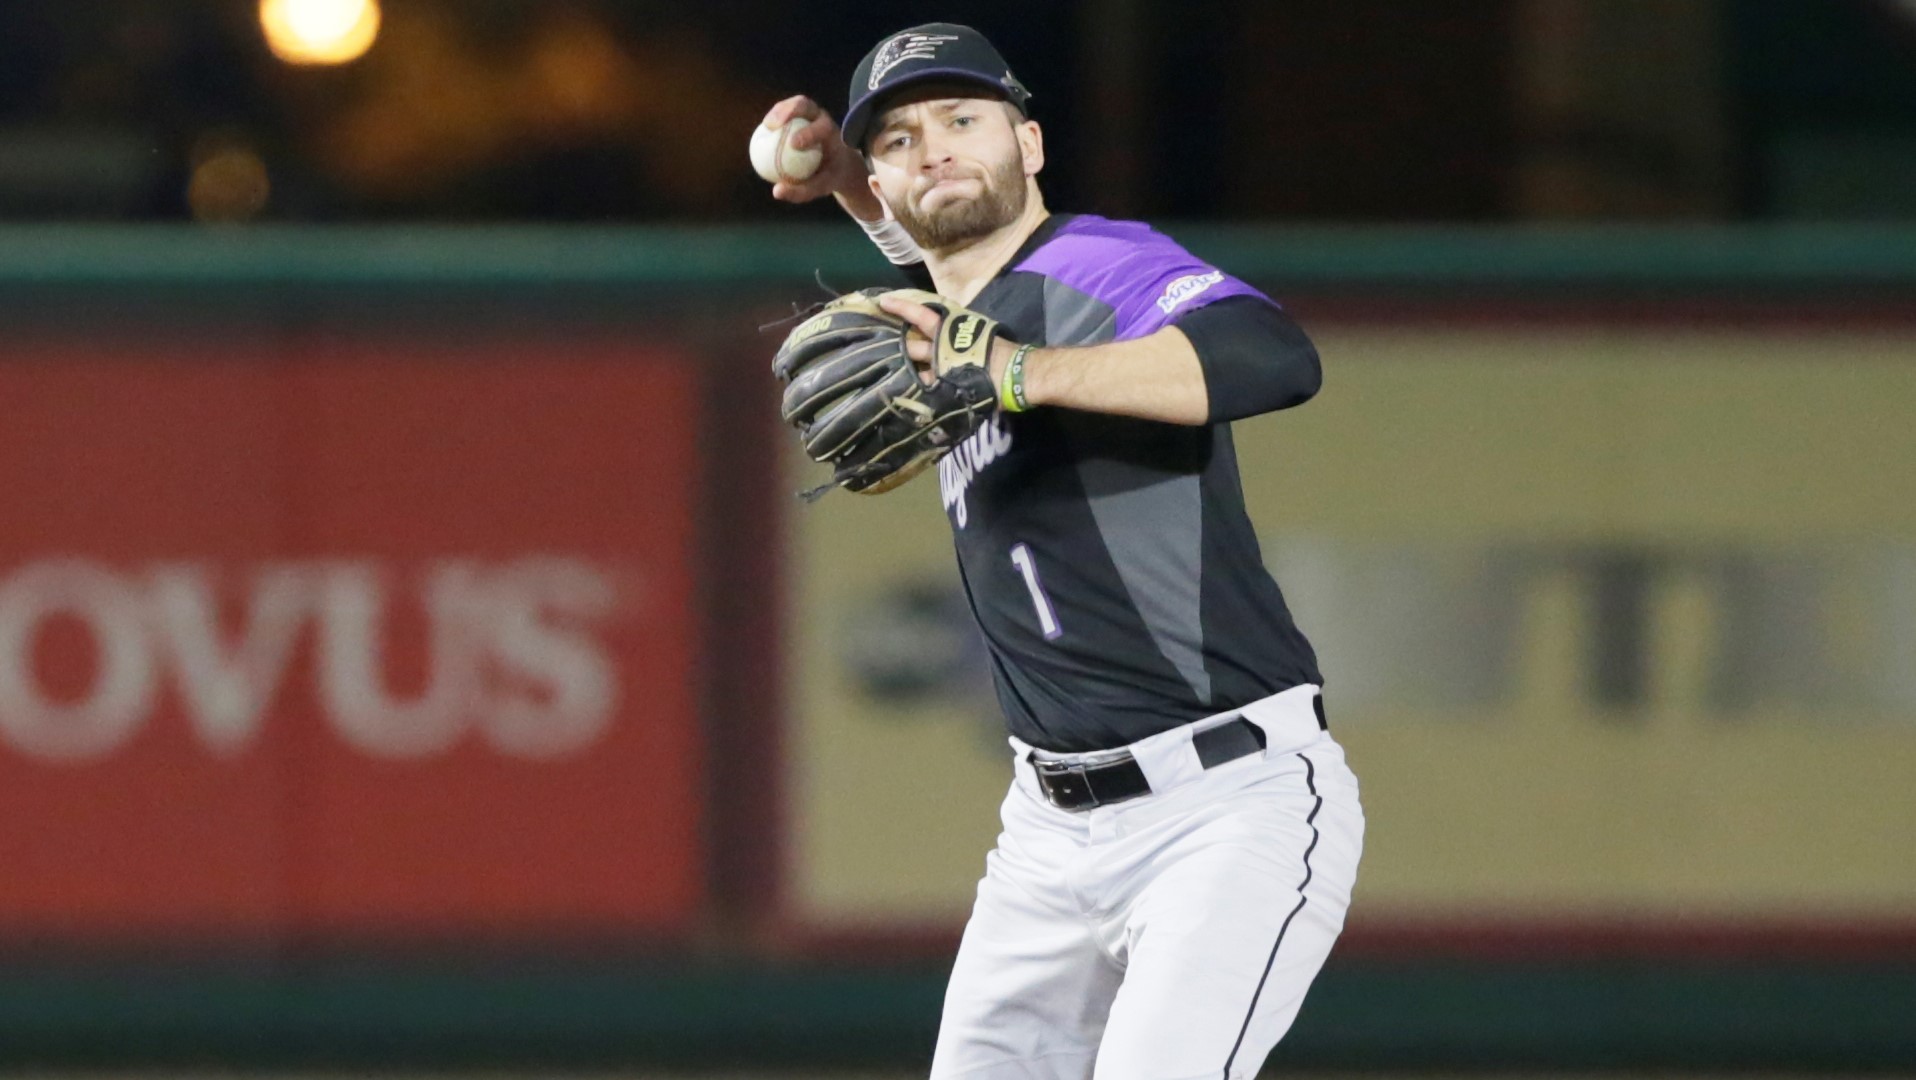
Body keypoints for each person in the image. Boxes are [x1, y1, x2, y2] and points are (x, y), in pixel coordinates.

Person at [762, 23, 1364, 1080]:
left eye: (962, 120)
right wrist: (850, 189)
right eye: (900, 140)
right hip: (1046, 834)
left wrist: (1015, 374)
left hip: (1223, 809)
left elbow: (1273, 357)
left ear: (1029, 145)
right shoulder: (961, 303)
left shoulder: (1097, 263)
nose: (935, 149)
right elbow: (952, 261)